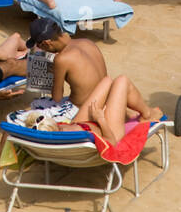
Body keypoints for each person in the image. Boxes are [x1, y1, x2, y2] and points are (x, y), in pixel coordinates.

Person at [29, 20, 161, 140]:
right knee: (114, 81)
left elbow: (57, 97)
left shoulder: (62, 59)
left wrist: (55, 74)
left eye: (41, 46)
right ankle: (139, 112)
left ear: (47, 43)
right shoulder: (87, 42)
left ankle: (139, 113)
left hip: (81, 108)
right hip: (105, 99)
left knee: (34, 105)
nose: (42, 49)